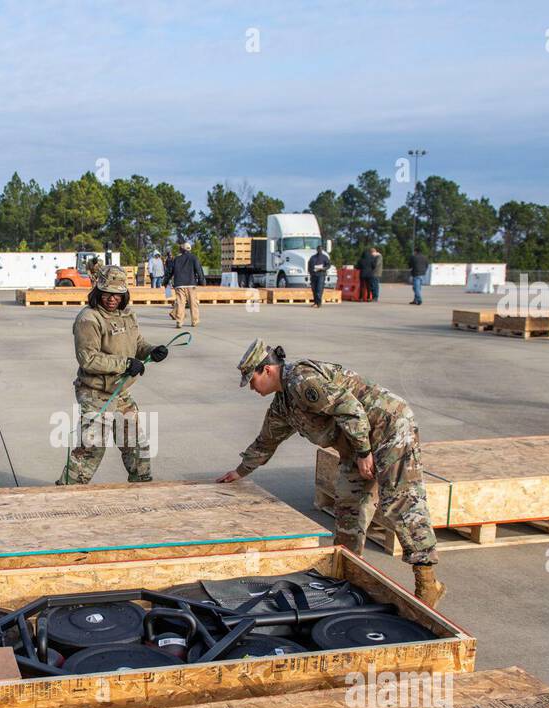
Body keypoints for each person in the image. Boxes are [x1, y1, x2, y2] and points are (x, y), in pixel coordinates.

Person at [216, 339, 445, 608]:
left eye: (251, 380)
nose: (251, 388)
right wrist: (241, 471)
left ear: (267, 370)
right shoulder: (283, 405)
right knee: (348, 506)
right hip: (356, 442)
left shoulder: (303, 381)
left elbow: (352, 410)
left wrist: (363, 454)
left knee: (400, 500)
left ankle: (427, 583)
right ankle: (348, 577)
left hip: (388, 427)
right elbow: (266, 441)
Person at [58, 265, 167, 484]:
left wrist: (150, 350)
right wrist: (125, 363)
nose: (111, 299)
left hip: (121, 391)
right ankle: (66, 493)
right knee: (92, 448)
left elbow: (136, 343)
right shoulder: (88, 318)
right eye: (107, 293)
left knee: (136, 443)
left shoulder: (127, 314)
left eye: (117, 294)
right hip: (95, 392)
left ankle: (143, 487)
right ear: (98, 291)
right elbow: (88, 358)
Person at [165, 240, 205, 328]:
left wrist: (165, 281)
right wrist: (202, 281)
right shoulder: (194, 258)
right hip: (191, 283)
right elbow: (199, 270)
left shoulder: (177, 259)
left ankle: (179, 321)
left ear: (182, 250)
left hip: (179, 284)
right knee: (193, 303)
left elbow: (170, 271)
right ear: (189, 249)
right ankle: (195, 321)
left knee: (180, 303)